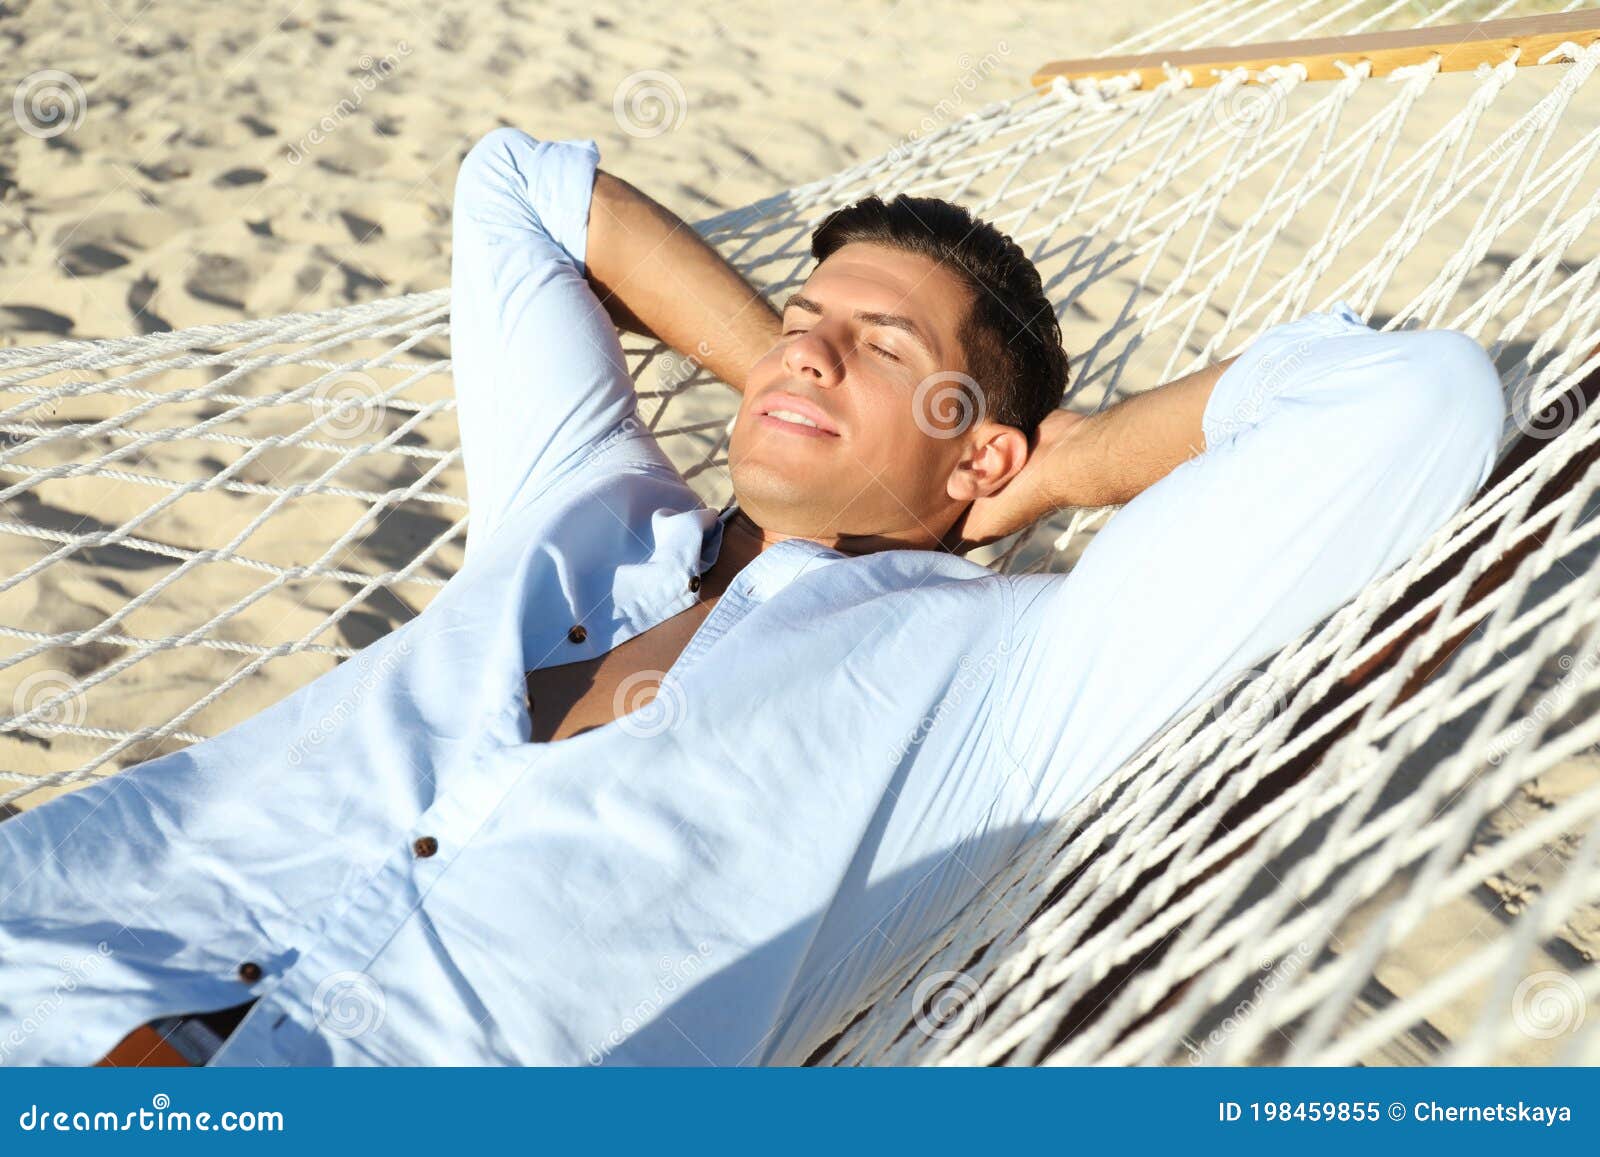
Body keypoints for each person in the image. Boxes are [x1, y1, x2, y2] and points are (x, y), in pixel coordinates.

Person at [0, 127, 1504, 1067]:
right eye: (802, 318)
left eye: (882, 344)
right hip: (51, 962)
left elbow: (1416, 401)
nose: (808, 348)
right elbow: (514, 185)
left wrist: (1065, 467)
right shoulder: (591, 504)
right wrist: (803, 393)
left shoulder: (1008, 676)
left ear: (979, 443)